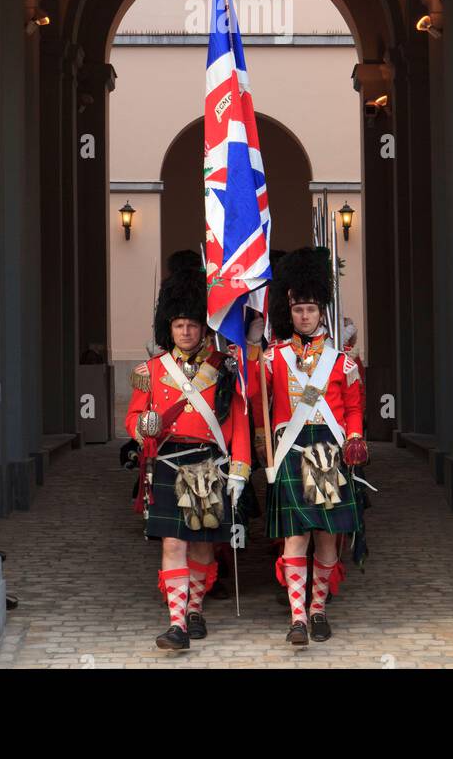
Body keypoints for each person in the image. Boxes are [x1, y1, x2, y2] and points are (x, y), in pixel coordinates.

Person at [125, 265, 250, 651]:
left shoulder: (224, 369)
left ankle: (195, 608)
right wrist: (141, 426)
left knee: (200, 545)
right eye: (178, 325)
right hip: (168, 462)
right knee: (172, 543)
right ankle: (177, 623)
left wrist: (240, 468)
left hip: (208, 463)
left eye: (192, 324)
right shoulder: (151, 371)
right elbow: (133, 418)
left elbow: (238, 421)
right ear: (170, 327)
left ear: (203, 326)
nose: (185, 331)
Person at [251, 247, 367, 646]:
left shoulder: (342, 363)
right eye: (298, 310)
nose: (304, 316)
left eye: (311, 310)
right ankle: (297, 617)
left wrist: (354, 437)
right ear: (290, 310)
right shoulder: (273, 358)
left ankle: (318, 609)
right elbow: (255, 402)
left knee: (327, 537)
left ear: (321, 312)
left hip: (330, 452)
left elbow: (353, 408)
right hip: (292, 450)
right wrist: (246, 361)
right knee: (296, 536)